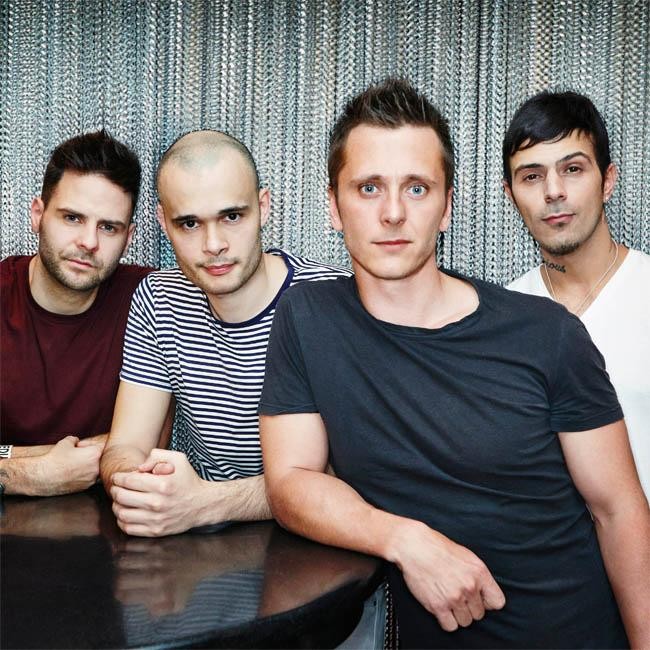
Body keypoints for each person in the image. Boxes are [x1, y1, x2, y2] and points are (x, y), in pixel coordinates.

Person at [258, 79, 650, 648]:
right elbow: (291, 481)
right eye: (368, 188)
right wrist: (406, 541)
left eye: (417, 188)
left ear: (446, 207)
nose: (393, 213)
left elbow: (618, 510)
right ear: (333, 206)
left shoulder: (548, 334)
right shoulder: (308, 320)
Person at [100, 130, 349, 537]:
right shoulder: (158, 299)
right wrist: (140, 487)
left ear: (263, 207)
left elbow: (354, 473)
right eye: (189, 223)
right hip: (198, 547)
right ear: (163, 223)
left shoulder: (332, 300)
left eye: (232, 216)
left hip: (320, 545)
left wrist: (205, 502)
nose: (213, 244)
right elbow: (125, 446)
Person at [504, 91, 650, 498]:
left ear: (607, 181)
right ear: (510, 195)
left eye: (572, 169)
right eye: (532, 176)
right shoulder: (504, 316)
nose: (553, 191)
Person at [0, 130, 152, 496]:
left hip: (116, 523)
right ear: (38, 215)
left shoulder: (149, 299)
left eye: (108, 227)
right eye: (72, 218)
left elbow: (148, 443)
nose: (89, 242)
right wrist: (34, 473)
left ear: (129, 237)